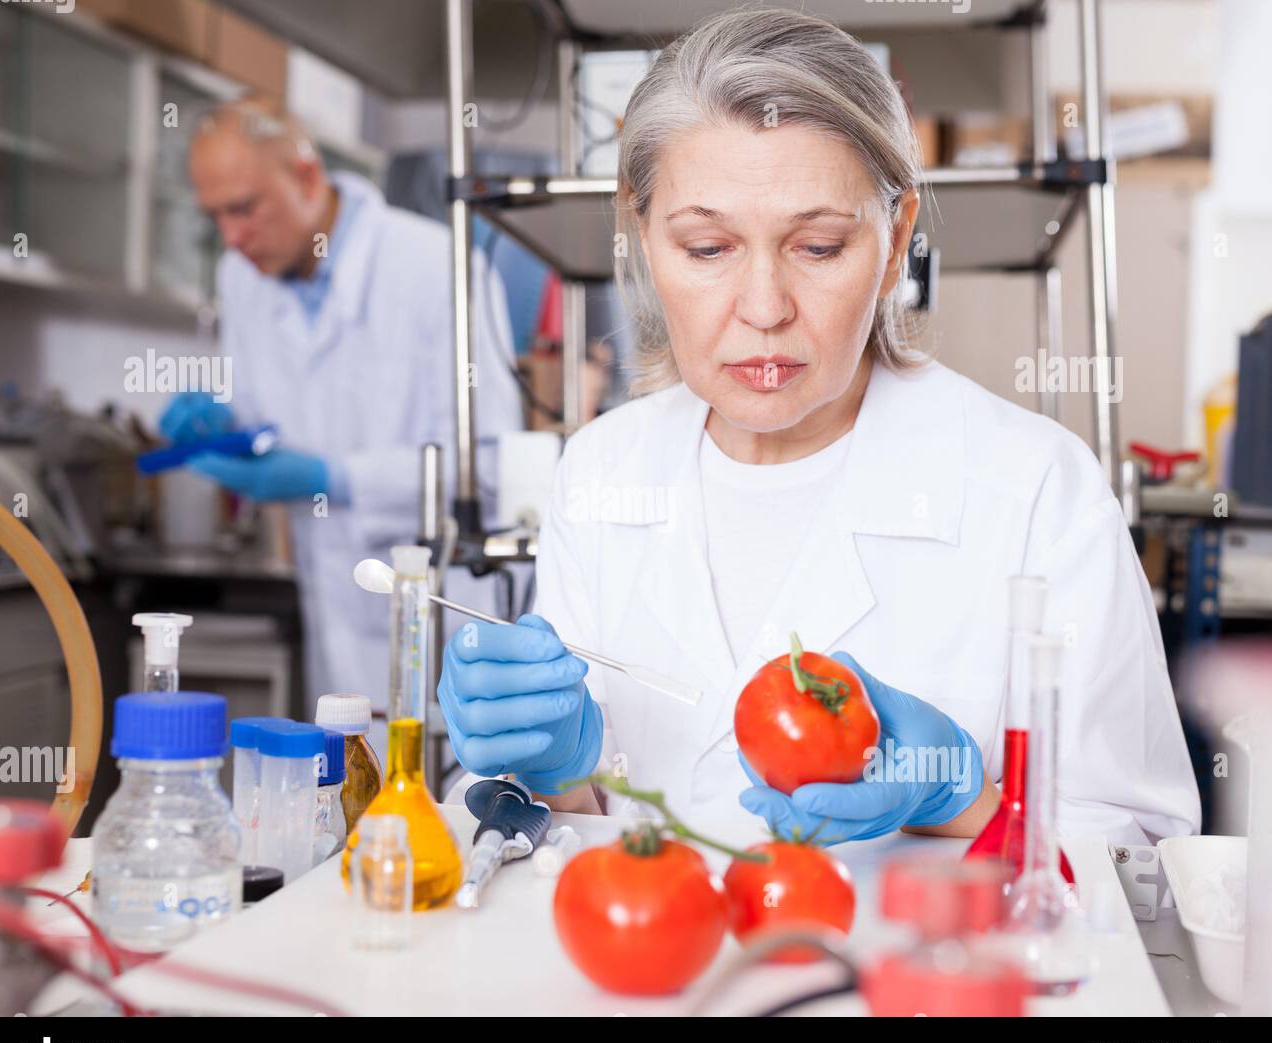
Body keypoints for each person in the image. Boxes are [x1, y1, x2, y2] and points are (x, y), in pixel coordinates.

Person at [438, 9, 1200, 846]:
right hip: (649, 975)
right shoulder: (602, 470)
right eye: (705, 248)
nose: (763, 309)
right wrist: (557, 772)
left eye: (821, 246)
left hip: (919, 978)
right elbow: (559, 843)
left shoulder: (1036, 487)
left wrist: (963, 799)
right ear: (641, 235)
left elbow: (1144, 865)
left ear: (896, 237)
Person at [162, 98, 522, 751]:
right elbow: (263, 414)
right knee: (353, 814)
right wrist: (221, 422)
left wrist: (334, 476)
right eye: (214, 216)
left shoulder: (440, 267)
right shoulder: (241, 277)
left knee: (453, 821)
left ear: (305, 177)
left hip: (444, 621)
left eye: (243, 208)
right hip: (334, 608)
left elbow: (491, 467)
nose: (231, 237)